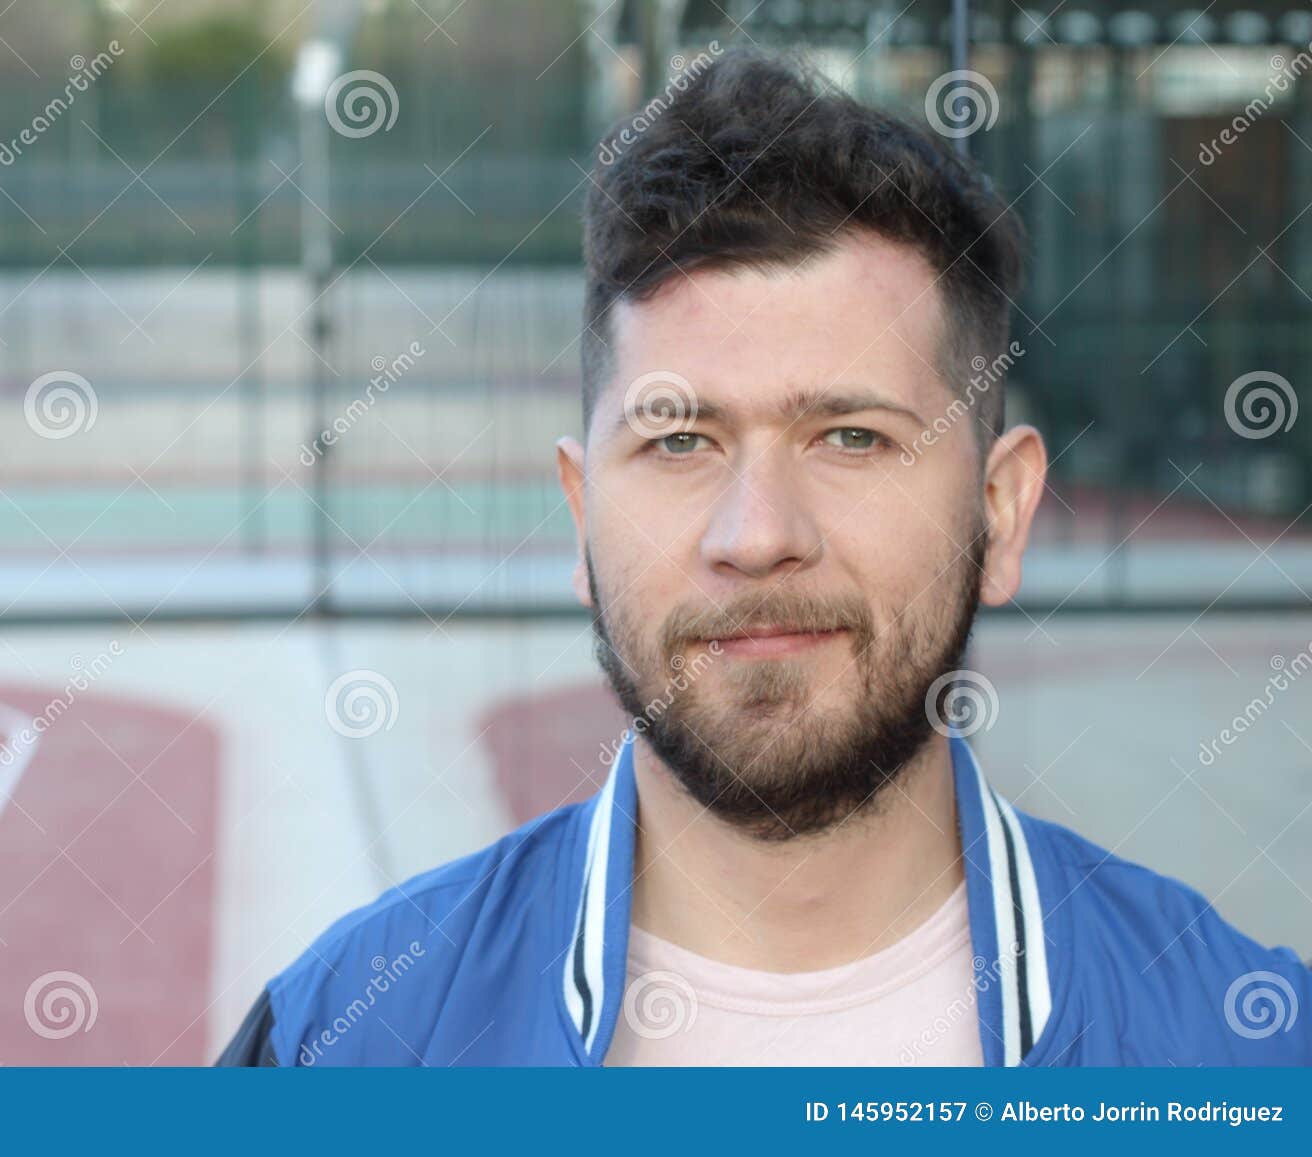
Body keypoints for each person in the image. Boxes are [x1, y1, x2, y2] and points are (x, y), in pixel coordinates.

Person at [218, 49, 1311, 1067]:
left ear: (1002, 510)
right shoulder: (347, 1040)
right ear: (580, 511)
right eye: (680, 440)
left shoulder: (1240, 1048)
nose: (756, 534)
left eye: (851, 437)